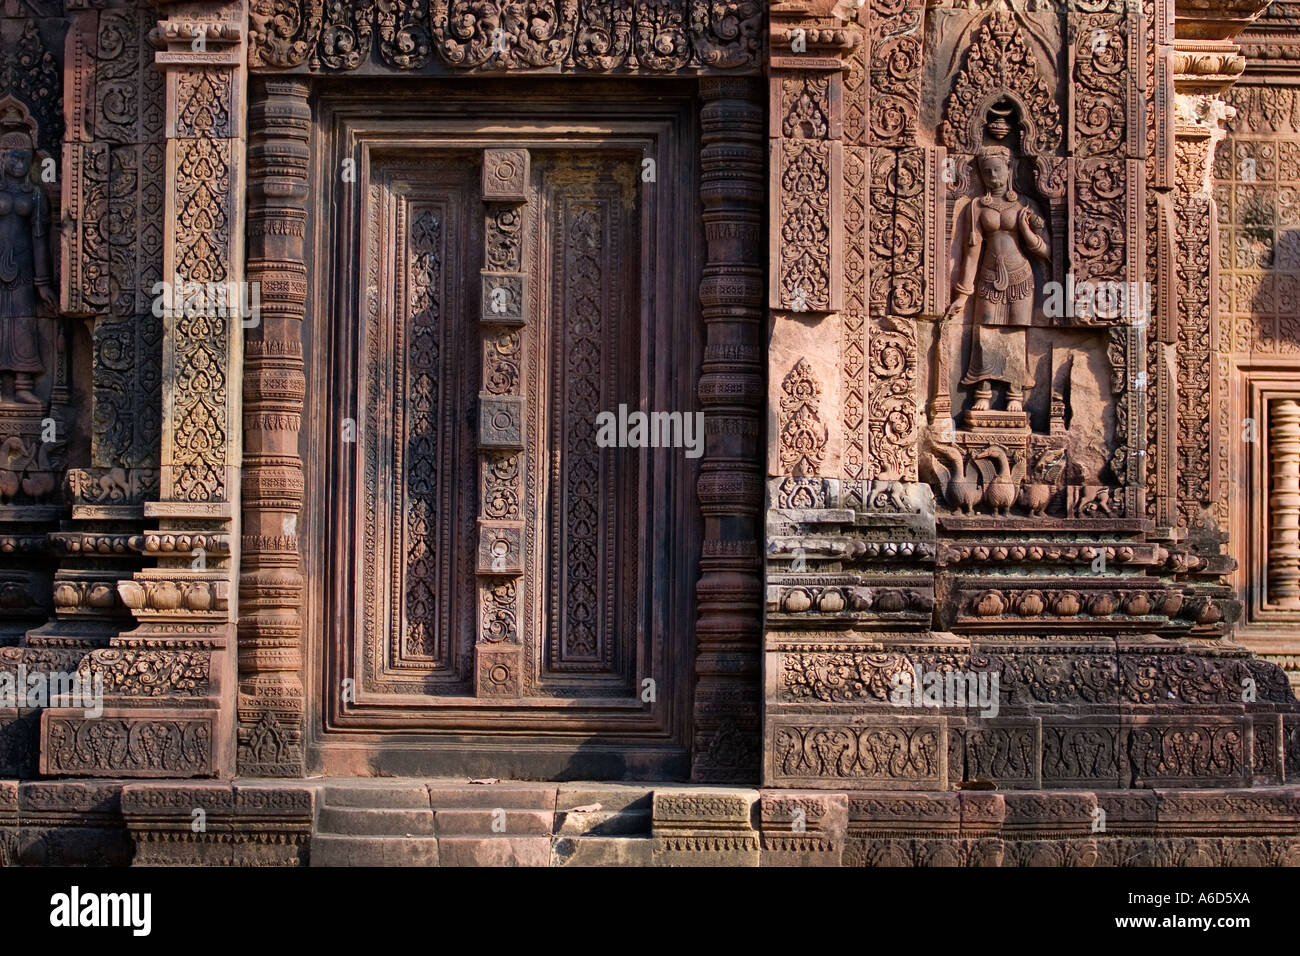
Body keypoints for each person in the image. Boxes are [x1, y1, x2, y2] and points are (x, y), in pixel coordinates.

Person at [945, 144, 1049, 414]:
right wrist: (963, 293)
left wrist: (1026, 230)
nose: (993, 176)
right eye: (986, 171)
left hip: (1021, 276)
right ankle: (984, 390)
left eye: (997, 170)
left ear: (1009, 170)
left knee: (1015, 332)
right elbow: (971, 252)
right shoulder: (976, 206)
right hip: (989, 276)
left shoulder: (1026, 204)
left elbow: (1046, 250)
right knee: (986, 330)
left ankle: (1015, 392)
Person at [0, 112, 52, 406]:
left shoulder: (34, 195)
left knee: (23, 325)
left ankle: (22, 383)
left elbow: (40, 240)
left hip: (23, 270)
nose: (18, 164)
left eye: (24, 157)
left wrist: (42, 283)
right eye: (12, 157)